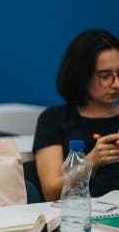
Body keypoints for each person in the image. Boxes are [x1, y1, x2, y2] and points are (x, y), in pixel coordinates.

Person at [34, 29, 119, 201]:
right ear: (82, 75)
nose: (116, 83)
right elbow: (51, 192)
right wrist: (91, 161)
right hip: (81, 213)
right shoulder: (54, 119)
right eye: (105, 76)